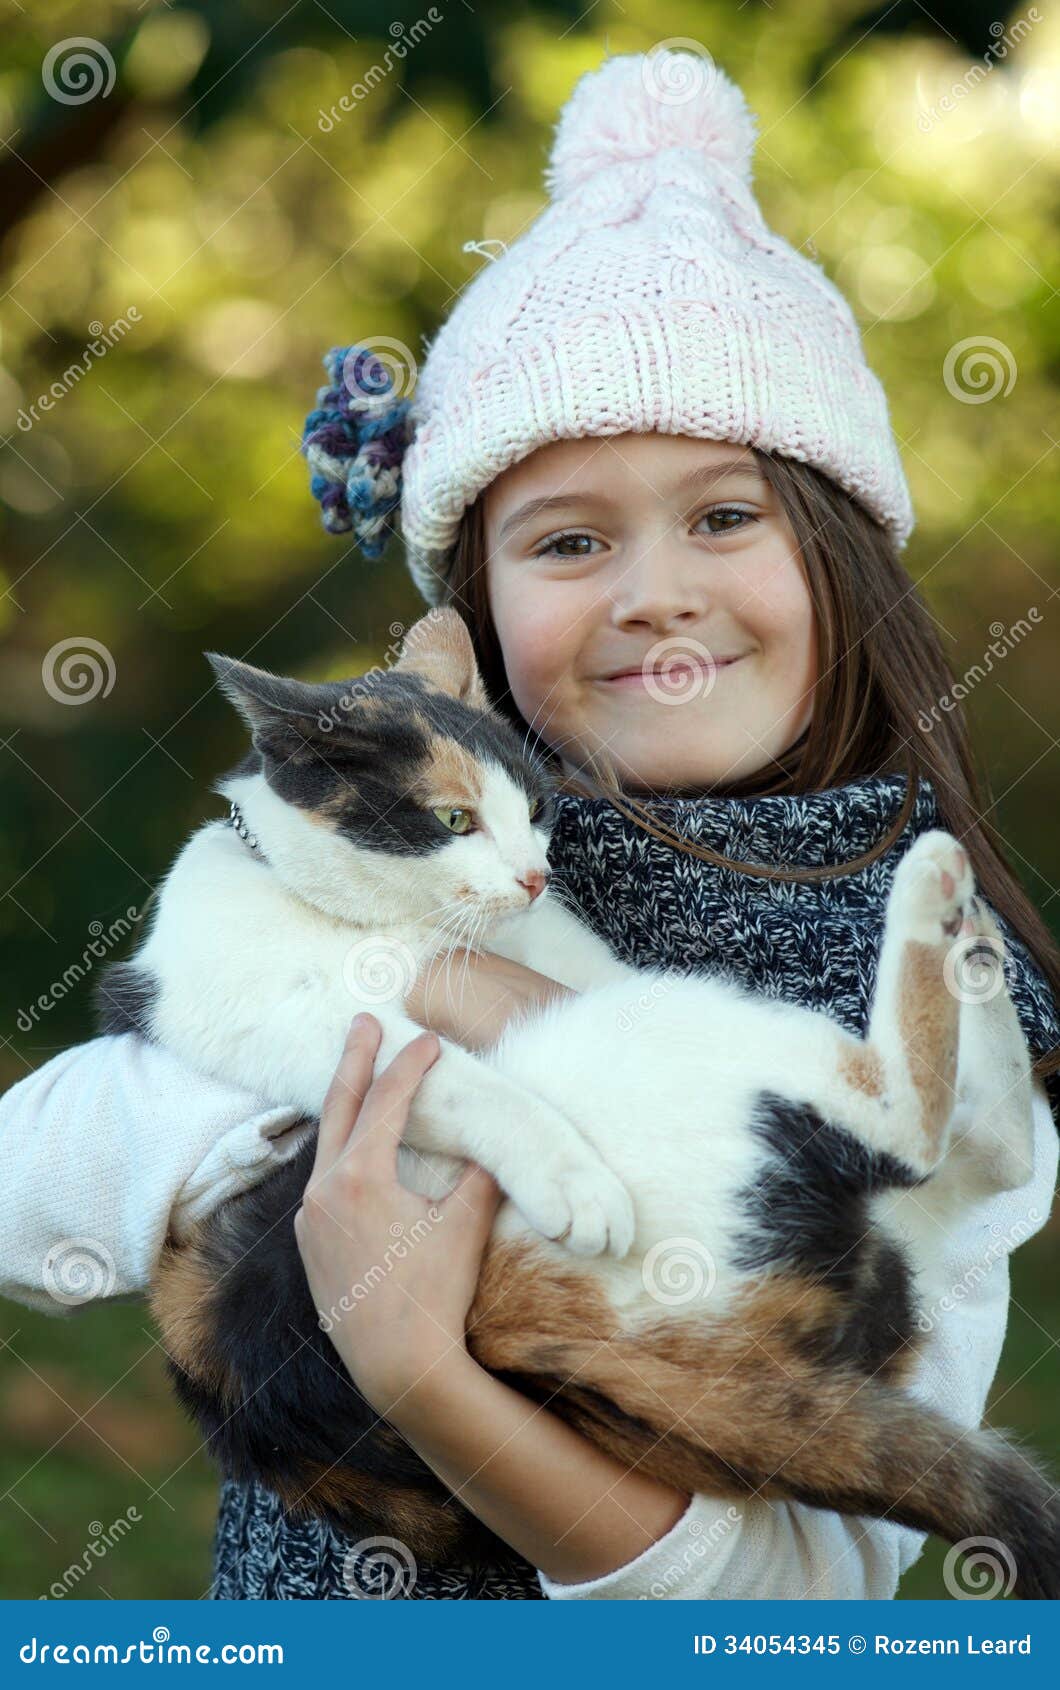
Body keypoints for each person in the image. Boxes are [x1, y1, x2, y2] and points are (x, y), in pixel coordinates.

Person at [2, 47, 1058, 1603]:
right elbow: (84, 1141)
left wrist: (425, 1367)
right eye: (569, 539)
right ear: (472, 606)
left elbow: (798, 1588)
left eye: (723, 513)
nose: (654, 591)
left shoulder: (940, 974)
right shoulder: (395, 878)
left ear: (837, 555)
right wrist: (363, 1046)